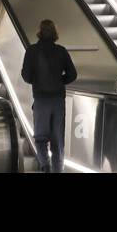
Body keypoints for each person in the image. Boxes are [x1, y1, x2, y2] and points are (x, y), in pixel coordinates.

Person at [20, 19, 78, 173]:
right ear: (54, 33)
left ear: (40, 32)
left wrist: (36, 81)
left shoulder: (31, 51)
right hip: (58, 101)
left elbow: (25, 76)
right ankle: (58, 170)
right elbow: (73, 74)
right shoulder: (61, 51)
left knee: (40, 138)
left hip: (40, 100)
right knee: (57, 141)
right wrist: (60, 81)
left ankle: (45, 166)